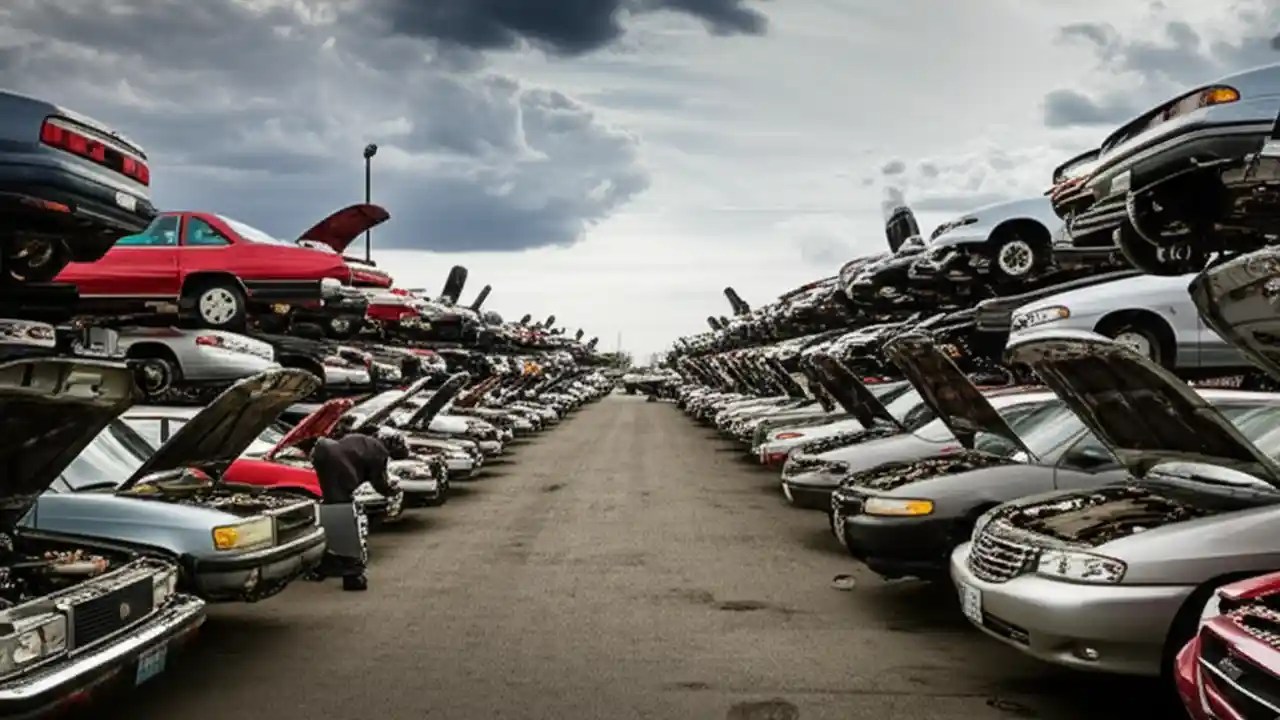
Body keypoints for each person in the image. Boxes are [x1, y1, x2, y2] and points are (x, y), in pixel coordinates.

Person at [308, 433, 399, 591]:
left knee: (332, 511)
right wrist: (391, 491)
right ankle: (351, 572)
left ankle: (327, 564)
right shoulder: (380, 453)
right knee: (342, 516)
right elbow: (378, 480)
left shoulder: (363, 439)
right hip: (338, 468)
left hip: (323, 451)